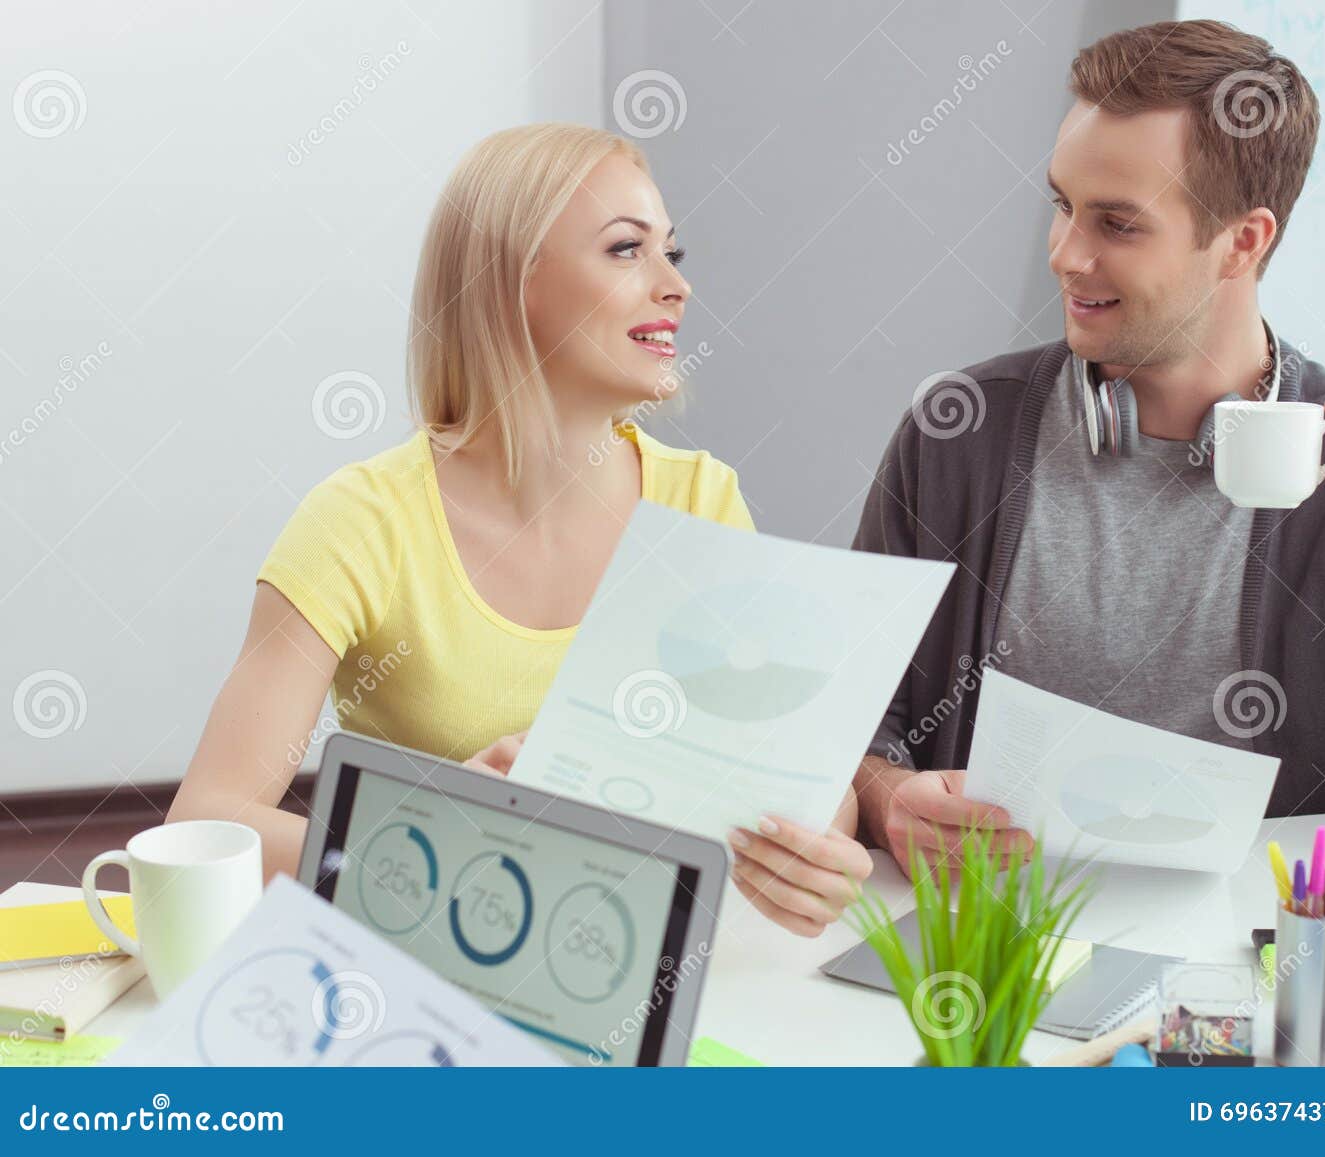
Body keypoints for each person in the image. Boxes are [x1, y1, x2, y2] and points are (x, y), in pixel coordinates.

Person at [850, 20, 1325, 879]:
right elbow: (853, 725)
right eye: (1062, 205)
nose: (1064, 254)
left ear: (1244, 240)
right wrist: (887, 795)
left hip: (1254, 973)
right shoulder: (960, 430)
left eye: (1117, 224)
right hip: (986, 959)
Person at [170, 123, 870, 936]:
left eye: (672, 254)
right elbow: (207, 821)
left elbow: (805, 782)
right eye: (624, 250)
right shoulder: (360, 521)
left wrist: (819, 844)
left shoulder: (704, 503)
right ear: (509, 283)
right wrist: (441, 837)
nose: (674, 287)